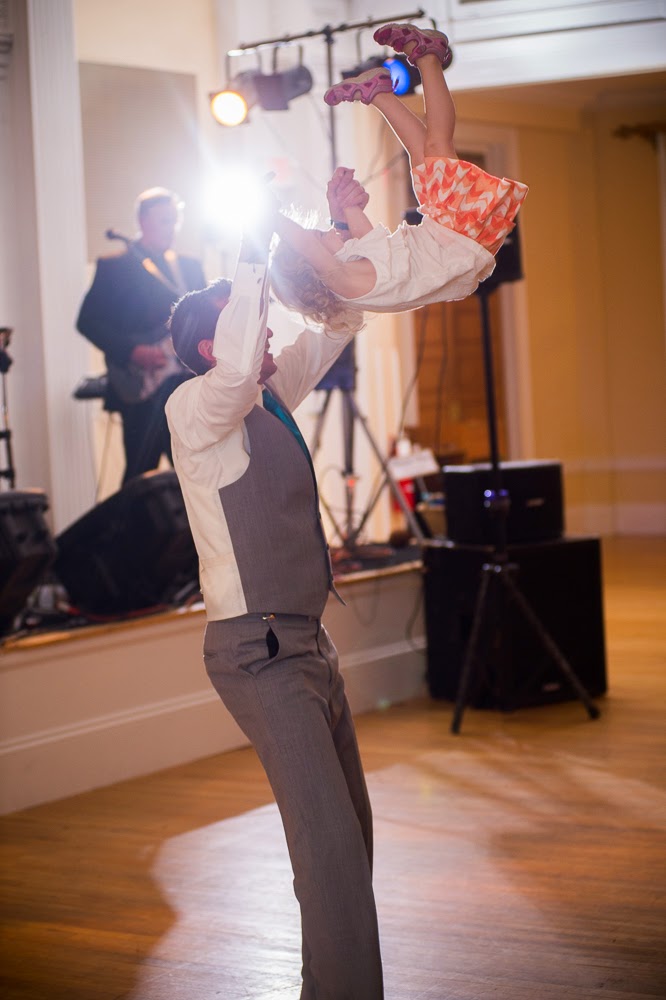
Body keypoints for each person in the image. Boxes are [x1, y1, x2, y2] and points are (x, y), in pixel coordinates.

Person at [164, 171, 384, 999]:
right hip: (257, 654)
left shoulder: (270, 397)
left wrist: (342, 225)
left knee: (351, 841)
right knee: (327, 852)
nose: (261, 339)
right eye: (241, 327)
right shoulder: (197, 411)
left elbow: (340, 321)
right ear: (209, 347)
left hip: (310, 648)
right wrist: (255, 242)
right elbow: (230, 369)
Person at [270, 22, 528, 328]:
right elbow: (303, 242)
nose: (325, 233)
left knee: (421, 157)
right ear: (309, 267)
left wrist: (345, 206)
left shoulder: (356, 267)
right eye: (316, 238)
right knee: (437, 144)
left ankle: (378, 93)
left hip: (444, 235)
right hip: (458, 241)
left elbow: (364, 234)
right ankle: (429, 56)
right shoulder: (343, 282)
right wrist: (265, 215)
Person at [76, 187, 206, 484]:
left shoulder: (189, 267)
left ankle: (188, 531)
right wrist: (133, 351)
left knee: (193, 473)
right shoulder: (115, 266)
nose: (171, 228)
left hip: (183, 383)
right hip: (139, 385)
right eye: (163, 221)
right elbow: (88, 321)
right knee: (139, 472)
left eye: (174, 220)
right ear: (143, 221)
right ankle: (128, 529)